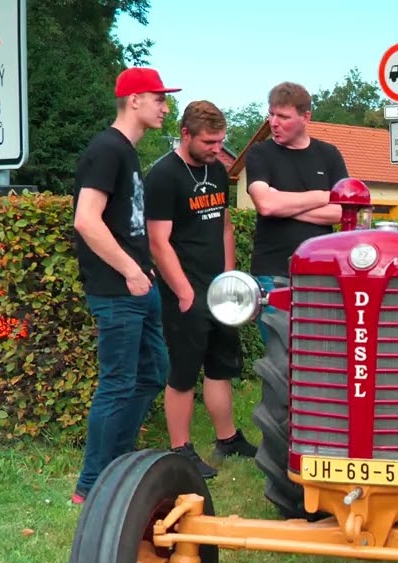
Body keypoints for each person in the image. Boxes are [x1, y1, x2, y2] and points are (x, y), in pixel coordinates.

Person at [69, 67, 179, 505]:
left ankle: (117, 462)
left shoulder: (128, 152)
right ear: (134, 100)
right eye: (159, 98)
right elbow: (85, 220)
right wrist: (130, 271)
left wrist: (144, 271)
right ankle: (92, 484)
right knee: (116, 383)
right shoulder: (107, 150)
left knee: (154, 373)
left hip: (138, 287)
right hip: (118, 291)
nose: (166, 107)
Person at [144, 100, 258, 479]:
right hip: (184, 291)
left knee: (220, 367)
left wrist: (227, 279)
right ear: (186, 134)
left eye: (220, 141)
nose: (216, 148)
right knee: (182, 372)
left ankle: (227, 439)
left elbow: (224, 226)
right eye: (210, 141)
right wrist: (183, 292)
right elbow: (159, 241)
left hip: (218, 290)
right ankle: (180, 449)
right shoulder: (163, 177)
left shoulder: (216, 170)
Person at [244, 82, 349, 342]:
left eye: (283, 116)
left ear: (305, 117)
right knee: (280, 353)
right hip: (273, 273)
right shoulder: (260, 153)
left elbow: (341, 212)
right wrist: (322, 196)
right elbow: (265, 205)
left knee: (321, 350)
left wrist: (283, 205)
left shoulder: (329, 155)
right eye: (271, 114)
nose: (274, 123)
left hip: (322, 273)